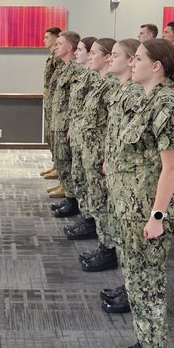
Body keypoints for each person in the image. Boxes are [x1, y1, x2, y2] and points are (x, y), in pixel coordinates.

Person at [107, 39, 174, 348]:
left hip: (148, 210)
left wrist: (158, 216)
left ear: (157, 66)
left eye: (138, 58)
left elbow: (171, 168)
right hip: (130, 204)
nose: (133, 63)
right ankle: (144, 343)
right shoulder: (145, 99)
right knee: (135, 279)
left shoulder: (167, 104)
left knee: (149, 282)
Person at [83, 39, 142, 274]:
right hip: (114, 165)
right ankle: (109, 252)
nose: (109, 59)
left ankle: (114, 260)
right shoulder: (121, 88)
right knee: (112, 216)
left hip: (131, 174)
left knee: (129, 235)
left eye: (114, 55)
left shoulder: (134, 93)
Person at [72, 38, 121, 286]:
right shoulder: (100, 83)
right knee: (97, 199)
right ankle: (104, 243)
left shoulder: (113, 86)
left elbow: (111, 126)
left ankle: (108, 248)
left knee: (104, 203)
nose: (89, 56)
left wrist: (106, 156)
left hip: (102, 154)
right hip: (91, 150)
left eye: (92, 52)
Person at [61, 36, 98, 236]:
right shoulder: (86, 76)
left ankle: (89, 222)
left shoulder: (97, 80)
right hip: (80, 135)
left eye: (85, 50)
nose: (77, 53)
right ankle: (85, 217)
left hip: (93, 143)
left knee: (91, 185)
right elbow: (78, 109)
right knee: (80, 178)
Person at [47, 31, 82, 204]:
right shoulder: (63, 67)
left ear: (69, 47)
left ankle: (72, 198)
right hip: (57, 121)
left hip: (66, 124)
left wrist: (71, 125)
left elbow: (76, 100)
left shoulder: (76, 70)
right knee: (61, 160)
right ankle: (68, 193)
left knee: (68, 162)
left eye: (59, 44)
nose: (56, 46)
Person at [40, 26, 62, 179]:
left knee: (56, 139)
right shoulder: (52, 57)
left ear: (56, 38)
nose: (44, 40)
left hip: (56, 105)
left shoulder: (59, 58)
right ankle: (56, 166)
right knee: (51, 137)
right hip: (50, 104)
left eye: (47, 37)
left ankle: (60, 170)